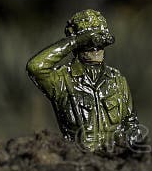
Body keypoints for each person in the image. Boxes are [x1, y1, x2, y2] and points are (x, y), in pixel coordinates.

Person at [26, 9, 140, 150]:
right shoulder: (62, 80)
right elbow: (35, 67)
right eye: (89, 44)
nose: (95, 48)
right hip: (78, 156)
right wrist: (75, 41)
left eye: (100, 41)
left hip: (113, 156)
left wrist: (132, 144)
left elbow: (131, 123)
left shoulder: (117, 80)